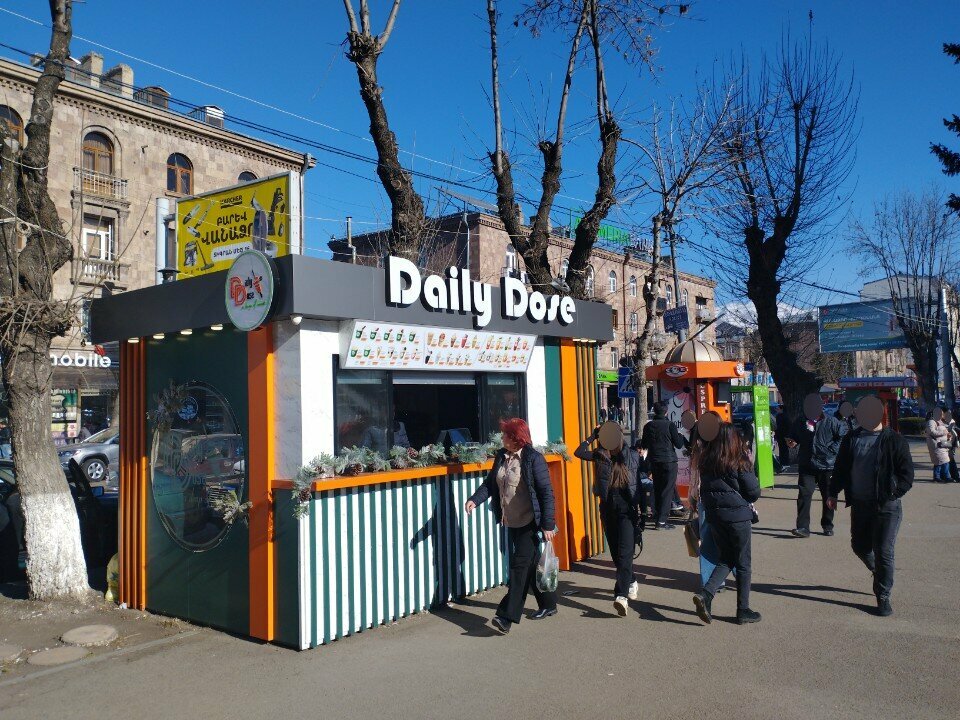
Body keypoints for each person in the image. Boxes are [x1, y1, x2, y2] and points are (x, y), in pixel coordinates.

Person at [466, 418, 558, 633]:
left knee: (519, 568)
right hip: (511, 521)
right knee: (531, 564)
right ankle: (549, 604)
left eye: (505, 434)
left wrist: (548, 525)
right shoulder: (501, 456)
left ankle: (506, 617)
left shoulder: (533, 459)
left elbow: (546, 493)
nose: (502, 437)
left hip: (530, 522)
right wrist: (475, 500)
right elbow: (490, 483)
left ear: (516, 438)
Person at [828, 396, 913, 616]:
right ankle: (878, 571)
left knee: (884, 551)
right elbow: (841, 468)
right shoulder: (852, 438)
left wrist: (893, 492)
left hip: (886, 506)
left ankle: (883, 595)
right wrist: (833, 492)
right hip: (860, 504)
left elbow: (907, 475)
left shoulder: (894, 440)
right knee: (860, 546)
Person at [691, 421, 761, 625]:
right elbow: (753, 492)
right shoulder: (739, 460)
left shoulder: (707, 461)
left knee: (726, 558)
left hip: (715, 517)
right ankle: (743, 610)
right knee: (743, 563)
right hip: (738, 518)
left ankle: (706, 594)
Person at [575, 425, 643, 616]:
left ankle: (621, 596)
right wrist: (592, 437)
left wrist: (643, 514)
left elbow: (638, 483)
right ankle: (631, 580)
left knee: (625, 554)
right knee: (616, 555)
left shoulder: (631, 455)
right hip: (607, 510)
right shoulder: (600, 455)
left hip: (627, 512)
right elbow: (578, 452)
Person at [787, 396, 845, 537]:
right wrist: (792, 441)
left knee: (828, 496)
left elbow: (842, 437)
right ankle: (803, 527)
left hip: (827, 465)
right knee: (804, 496)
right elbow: (793, 437)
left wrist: (832, 450)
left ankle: (827, 525)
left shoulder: (831, 421)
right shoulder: (800, 421)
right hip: (807, 465)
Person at [640, 401, 685, 529]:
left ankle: (657, 517)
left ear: (654, 411)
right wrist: (680, 436)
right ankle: (661, 521)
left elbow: (644, 444)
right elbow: (679, 444)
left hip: (654, 461)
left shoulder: (648, 426)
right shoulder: (670, 425)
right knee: (667, 490)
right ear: (666, 412)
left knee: (658, 489)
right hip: (669, 461)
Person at [925, 409, 952, 483]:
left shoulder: (940, 422)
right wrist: (944, 432)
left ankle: (943, 476)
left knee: (944, 460)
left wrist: (948, 436)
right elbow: (932, 432)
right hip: (936, 444)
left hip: (942, 444)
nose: (942, 415)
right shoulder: (931, 422)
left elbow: (944, 432)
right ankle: (940, 477)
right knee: (939, 461)